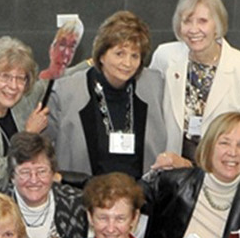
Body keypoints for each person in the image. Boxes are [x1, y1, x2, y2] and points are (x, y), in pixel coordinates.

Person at [48, 10, 174, 180]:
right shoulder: (66, 91)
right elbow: (46, 150)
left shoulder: (155, 86)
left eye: (134, 56)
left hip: (140, 199)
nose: (127, 63)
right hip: (84, 197)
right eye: (119, 54)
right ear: (101, 55)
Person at [149, 0, 240, 159]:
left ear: (217, 25)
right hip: (171, 165)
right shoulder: (164, 57)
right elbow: (151, 115)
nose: (194, 29)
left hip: (221, 167)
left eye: (202, 21)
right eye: (187, 21)